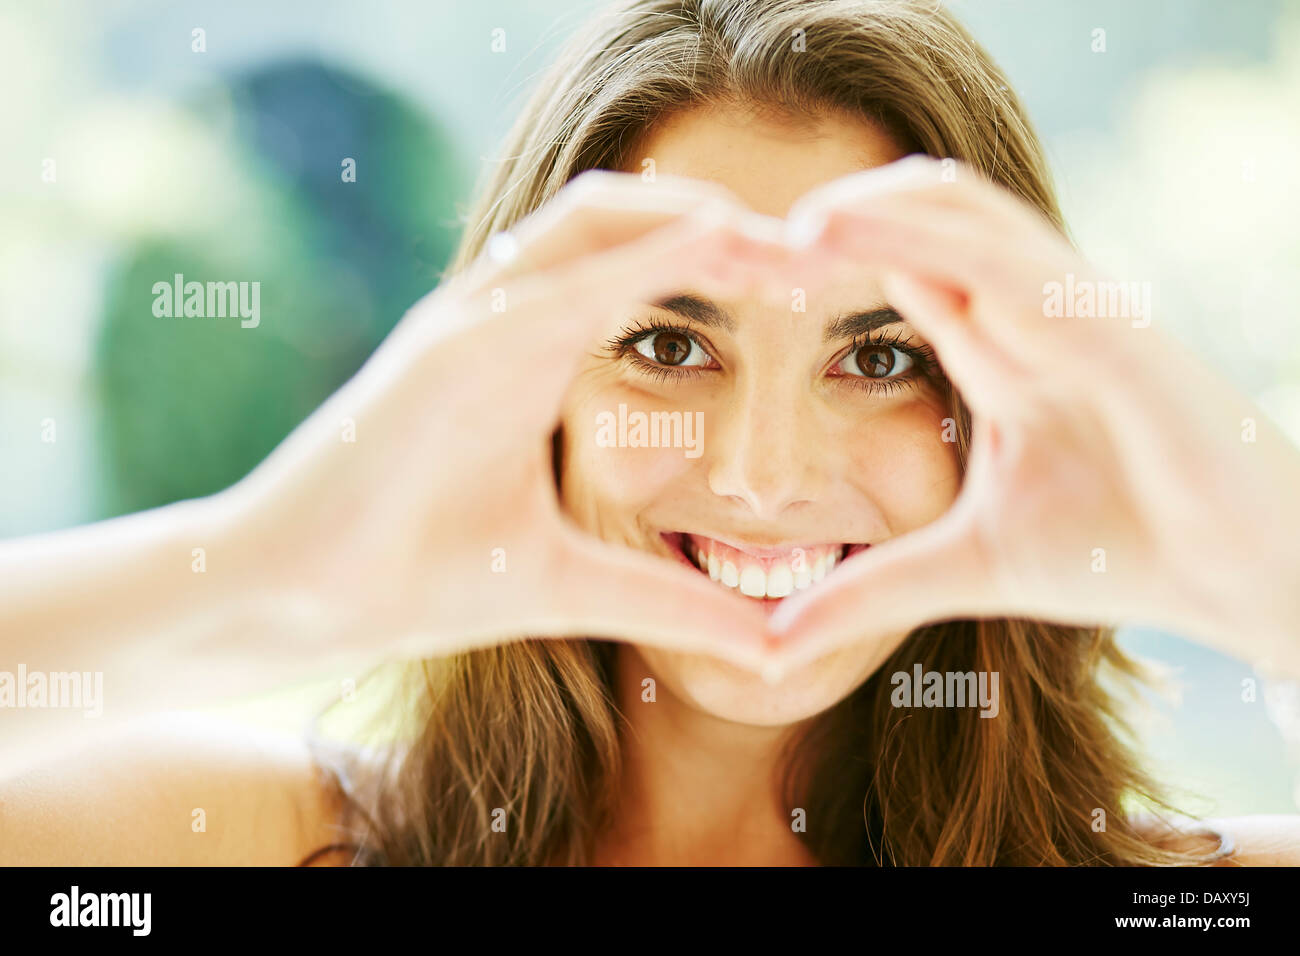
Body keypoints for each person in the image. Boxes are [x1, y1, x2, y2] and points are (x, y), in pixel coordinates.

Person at [3, 0, 1299, 866]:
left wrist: (1267, 563)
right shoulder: (253, 843)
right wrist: (267, 574)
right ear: (526, 387)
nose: (764, 476)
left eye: (881, 357)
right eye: (672, 347)